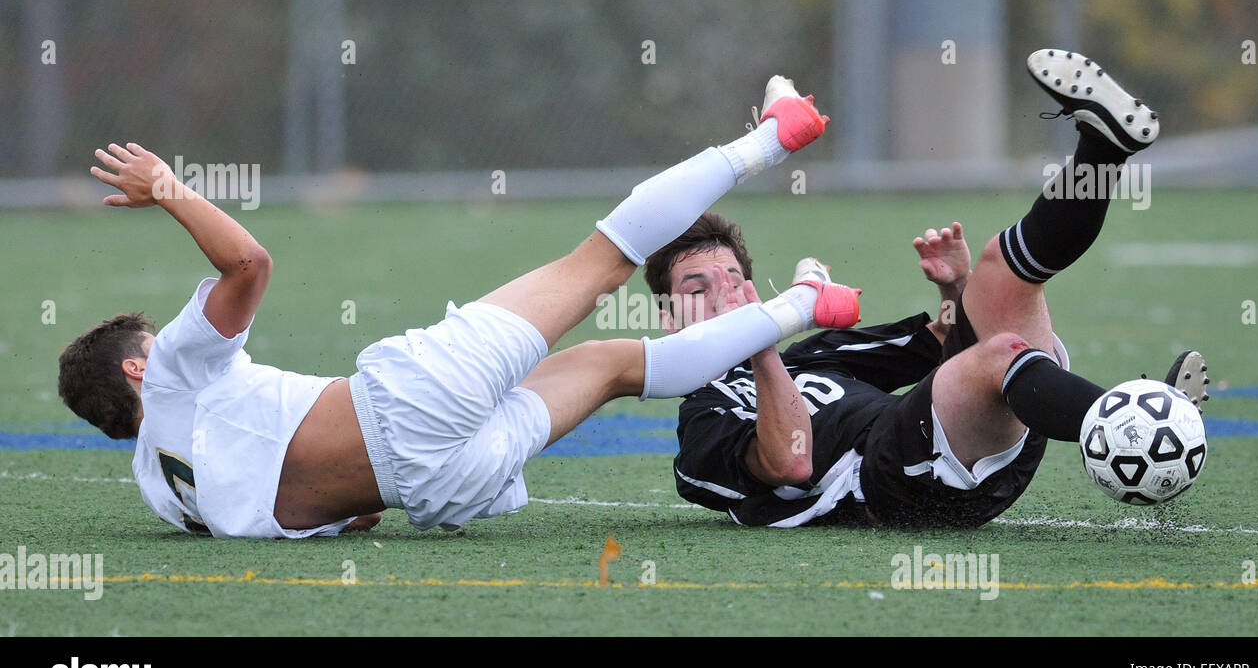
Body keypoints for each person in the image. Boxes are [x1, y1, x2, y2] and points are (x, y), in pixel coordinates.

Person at [57, 76, 861, 538]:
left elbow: (343, 517)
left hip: (435, 487)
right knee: (603, 260)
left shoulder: (166, 495)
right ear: (138, 363)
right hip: (407, 405)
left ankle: (801, 303)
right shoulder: (168, 375)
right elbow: (248, 264)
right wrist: (167, 185)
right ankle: (771, 139)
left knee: (614, 364)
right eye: (156, 341)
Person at [647, 49, 1210, 528]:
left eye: (732, 278)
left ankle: (1102, 148)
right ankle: (1134, 424)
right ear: (670, 319)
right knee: (1000, 355)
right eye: (698, 286)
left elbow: (942, 343)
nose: (724, 293)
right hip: (893, 481)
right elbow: (790, 465)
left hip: (955, 440)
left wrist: (956, 291)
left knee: (1001, 271)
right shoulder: (701, 425)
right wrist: (760, 346)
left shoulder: (813, 354)